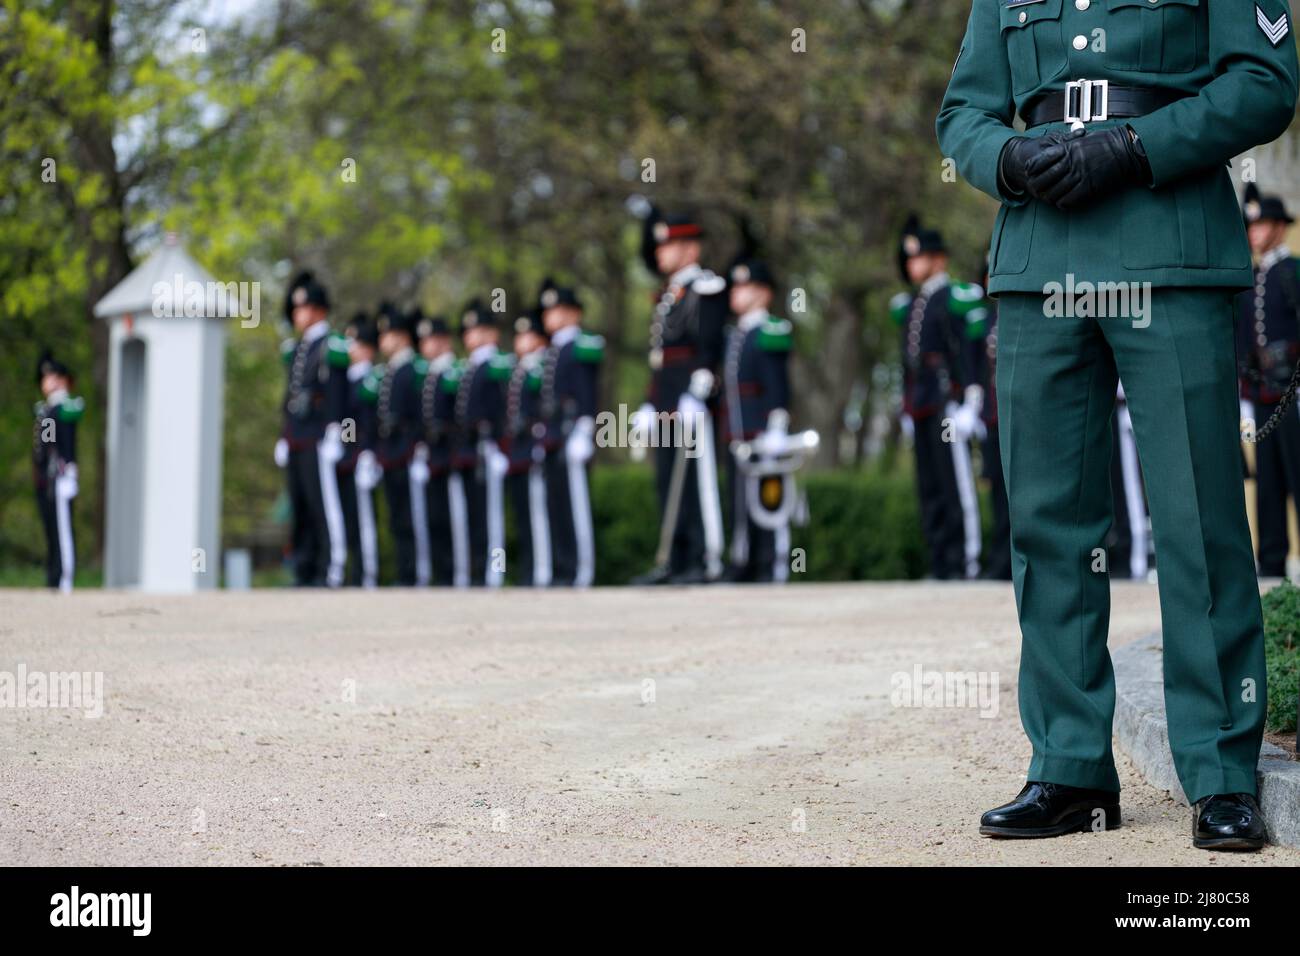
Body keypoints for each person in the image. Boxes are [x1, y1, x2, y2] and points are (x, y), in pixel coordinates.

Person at [939, 0, 1298, 848]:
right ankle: (1068, 768)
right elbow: (963, 112)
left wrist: (1137, 147)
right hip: (1038, 258)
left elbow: (1264, 81)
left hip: (1167, 242)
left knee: (1198, 518)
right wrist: (1011, 159)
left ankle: (1218, 773)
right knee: (1048, 524)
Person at [631, 211, 728, 585]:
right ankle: (676, 556)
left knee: (697, 479)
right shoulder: (670, 295)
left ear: (689, 248)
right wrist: (648, 402)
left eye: (667, 245)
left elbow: (709, 345)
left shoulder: (707, 288)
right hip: (667, 399)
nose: (660, 253)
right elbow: (660, 358)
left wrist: (698, 389)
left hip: (692, 398)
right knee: (668, 477)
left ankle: (706, 558)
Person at [891, 219, 985, 580]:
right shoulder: (912, 303)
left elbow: (967, 353)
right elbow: (907, 360)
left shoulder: (956, 297)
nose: (913, 264)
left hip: (948, 398)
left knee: (954, 483)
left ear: (939, 259)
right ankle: (941, 560)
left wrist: (971, 398)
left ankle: (966, 559)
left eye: (922, 257)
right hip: (921, 401)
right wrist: (904, 405)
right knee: (928, 483)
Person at [1237, 184, 1300, 578]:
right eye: (1251, 226)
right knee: (1268, 480)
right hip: (1261, 393)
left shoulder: (1293, 270)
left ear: (1278, 227)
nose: (1255, 232)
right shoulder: (1249, 278)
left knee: (1298, 470)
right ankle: (1271, 562)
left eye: (1262, 225)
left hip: (1292, 391)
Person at [720, 259, 793, 583]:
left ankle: (772, 563)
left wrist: (777, 423)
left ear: (763, 293)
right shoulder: (735, 335)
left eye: (744, 286)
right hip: (738, 432)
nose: (736, 293)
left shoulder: (770, 330)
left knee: (769, 500)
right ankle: (743, 560)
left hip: (761, 429)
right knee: (740, 500)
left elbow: (776, 381)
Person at [277, 271, 349, 587]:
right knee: (301, 502)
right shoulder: (297, 349)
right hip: (297, 434)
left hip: (319, 433)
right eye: (295, 309)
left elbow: (337, 394)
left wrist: (336, 431)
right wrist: (284, 434)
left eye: (303, 308)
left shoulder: (331, 345)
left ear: (318, 310)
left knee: (324, 505)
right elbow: (290, 395)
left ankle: (329, 567)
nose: (298, 314)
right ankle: (303, 568)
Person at [538, 280, 603, 588]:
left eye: (559, 309)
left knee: (576, 505)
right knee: (557, 505)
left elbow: (587, 391)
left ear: (574, 313)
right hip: (553, 434)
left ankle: (582, 569)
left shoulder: (582, 344)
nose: (552, 316)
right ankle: (562, 567)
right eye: (549, 310)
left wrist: (586, 427)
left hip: (572, 429)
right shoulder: (553, 350)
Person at [450, 299, 511, 587]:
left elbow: (503, 409)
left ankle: (494, 571)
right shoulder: (469, 367)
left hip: (488, 446)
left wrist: (500, 445)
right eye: (468, 330)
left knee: (492, 516)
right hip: (469, 449)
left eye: (478, 329)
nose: (470, 335)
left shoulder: (497, 364)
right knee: (473, 514)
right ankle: (476, 570)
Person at [367, 303, 422, 586]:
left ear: (401, 336)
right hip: (390, 451)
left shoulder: (414, 369)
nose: (382, 341)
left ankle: (417, 574)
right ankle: (404, 573)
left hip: (408, 451)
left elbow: (421, 415)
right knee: (397, 518)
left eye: (387, 334)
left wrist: (419, 450)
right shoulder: (388, 372)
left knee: (414, 518)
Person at [504, 309, 552, 587]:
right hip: (517, 451)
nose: (522, 341)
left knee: (539, 515)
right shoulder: (520, 368)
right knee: (523, 515)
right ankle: (530, 569)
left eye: (528, 335)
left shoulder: (543, 365)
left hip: (534, 446)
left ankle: (543, 570)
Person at [32, 350, 83, 593]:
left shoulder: (65, 407)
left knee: (62, 529)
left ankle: (64, 576)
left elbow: (61, 444)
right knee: (52, 527)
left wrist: (69, 468)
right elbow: (45, 445)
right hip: (46, 479)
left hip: (60, 475)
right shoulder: (48, 410)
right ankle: (54, 575)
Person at [414, 313, 459, 587]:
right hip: (431, 454)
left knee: (455, 518)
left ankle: (460, 573)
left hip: (450, 454)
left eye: (432, 339)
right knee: (435, 517)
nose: (427, 345)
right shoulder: (428, 375)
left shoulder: (453, 372)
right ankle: (442, 574)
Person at [338, 313, 381, 588]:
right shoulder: (346, 381)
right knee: (349, 519)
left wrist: (367, 451)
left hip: (363, 455)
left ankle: (367, 573)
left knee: (365, 519)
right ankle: (352, 573)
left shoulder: (371, 380)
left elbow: (370, 421)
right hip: (346, 457)